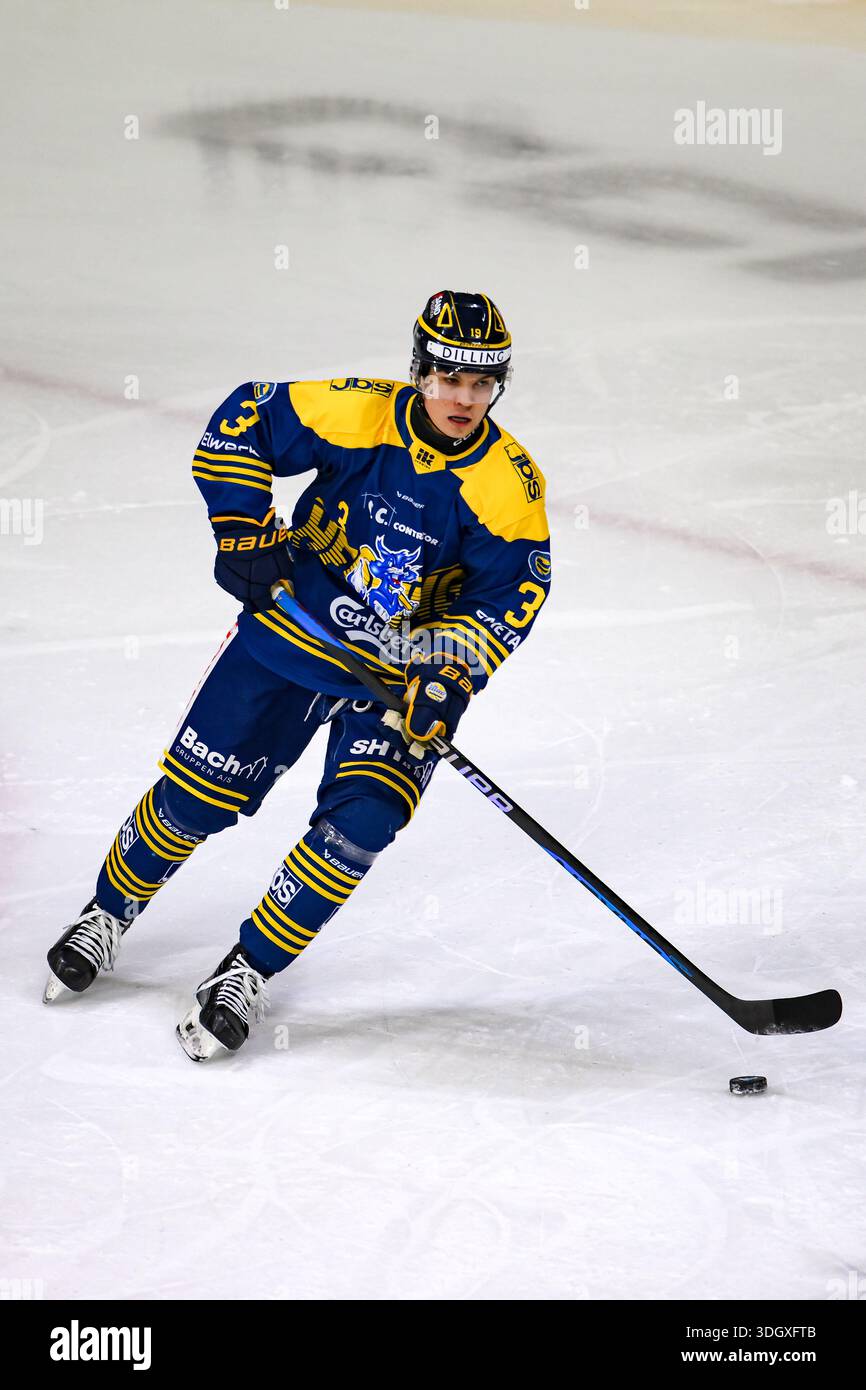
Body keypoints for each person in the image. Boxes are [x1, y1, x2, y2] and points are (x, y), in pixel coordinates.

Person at [43, 290, 552, 1061]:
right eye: (449, 378)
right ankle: (108, 912)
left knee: (363, 825)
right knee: (192, 800)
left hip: (397, 682)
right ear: (419, 371)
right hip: (290, 636)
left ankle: (245, 971)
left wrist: (448, 674)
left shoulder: (507, 484)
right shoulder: (357, 412)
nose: (464, 399)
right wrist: (243, 531)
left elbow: (513, 588)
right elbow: (244, 418)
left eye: (482, 384)